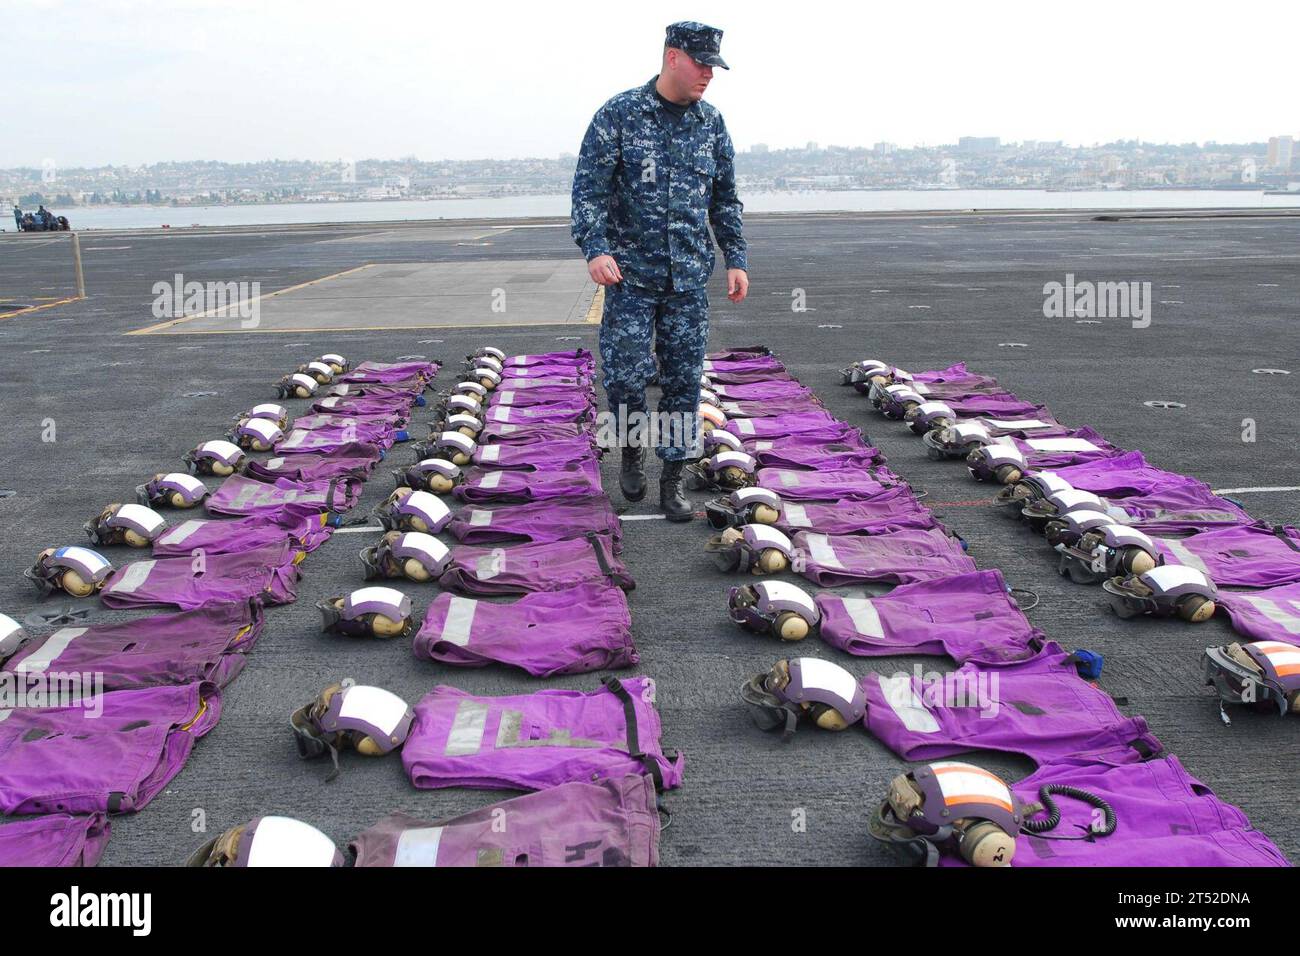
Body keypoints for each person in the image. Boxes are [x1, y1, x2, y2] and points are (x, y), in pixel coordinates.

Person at [572, 20, 748, 522]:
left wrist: (736, 257)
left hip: (689, 279)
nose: (709, 75)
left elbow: (724, 198)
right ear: (673, 57)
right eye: (701, 63)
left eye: (714, 66)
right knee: (625, 377)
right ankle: (631, 452)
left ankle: (673, 480)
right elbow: (589, 190)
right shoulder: (620, 114)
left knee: (683, 382)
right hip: (628, 277)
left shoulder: (711, 124)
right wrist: (595, 248)